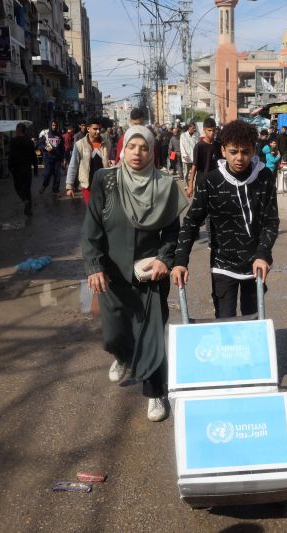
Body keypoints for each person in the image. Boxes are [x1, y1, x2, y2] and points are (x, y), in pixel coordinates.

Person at [82, 125, 187, 422]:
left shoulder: (165, 185)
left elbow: (172, 232)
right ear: (123, 149)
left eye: (143, 148)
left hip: (150, 275)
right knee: (115, 333)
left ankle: (155, 393)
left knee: (153, 335)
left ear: (152, 151)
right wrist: (94, 266)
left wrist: (164, 260)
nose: (137, 153)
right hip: (112, 275)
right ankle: (123, 355)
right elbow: (92, 229)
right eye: (131, 147)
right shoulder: (106, 179)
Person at [171, 120, 279, 319]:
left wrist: (263, 254)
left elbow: (271, 221)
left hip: (256, 264)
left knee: (254, 322)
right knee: (225, 322)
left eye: (245, 151)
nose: (240, 158)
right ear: (223, 151)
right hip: (222, 264)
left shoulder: (264, 177)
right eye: (233, 151)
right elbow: (192, 221)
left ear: (254, 150)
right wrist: (180, 261)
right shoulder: (210, 180)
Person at [65, 118, 110, 205]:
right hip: (88, 186)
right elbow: (73, 165)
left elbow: (112, 161)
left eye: (99, 129)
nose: (98, 131)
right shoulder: (80, 144)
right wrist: (69, 186)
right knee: (91, 211)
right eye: (95, 129)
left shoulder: (107, 144)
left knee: (103, 212)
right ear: (88, 129)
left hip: (104, 185)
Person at [187, 117, 222, 198]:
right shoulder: (199, 146)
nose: (212, 133)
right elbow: (194, 166)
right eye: (209, 131)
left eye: (214, 130)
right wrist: (190, 185)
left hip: (216, 181)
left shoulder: (218, 145)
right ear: (204, 130)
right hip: (202, 182)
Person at [9, 123, 37, 216]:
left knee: (18, 187)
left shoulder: (13, 141)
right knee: (27, 189)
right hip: (27, 169)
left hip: (17, 169)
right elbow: (34, 156)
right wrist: (36, 169)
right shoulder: (29, 141)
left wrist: (10, 167)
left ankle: (24, 200)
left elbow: (11, 155)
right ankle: (28, 210)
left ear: (17, 130)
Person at [38, 120, 64, 195]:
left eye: (55, 125)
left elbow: (62, 147)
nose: (54, 127)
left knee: (57, 175)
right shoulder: (46, 135)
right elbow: (40, 144)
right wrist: (45, 147)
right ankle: (44, 185)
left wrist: (63, 158)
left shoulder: (59, 135)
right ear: (50, 125)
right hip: (48, 159)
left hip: (57, 159)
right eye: (53, 125)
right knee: (47, 174)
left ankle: (55, 190)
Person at [180, 122, 198, 186]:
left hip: (194, 157)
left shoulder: (196, 135)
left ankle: (194, 185)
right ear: (189, 128)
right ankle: (186, 185)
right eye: (193, 128)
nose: (194, 129)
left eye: (194, 128)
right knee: (186, 173)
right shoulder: (183, 135)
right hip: (186, 158)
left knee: (194, 172)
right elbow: (182, 146)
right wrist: (184, 155)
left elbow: (197, 146)